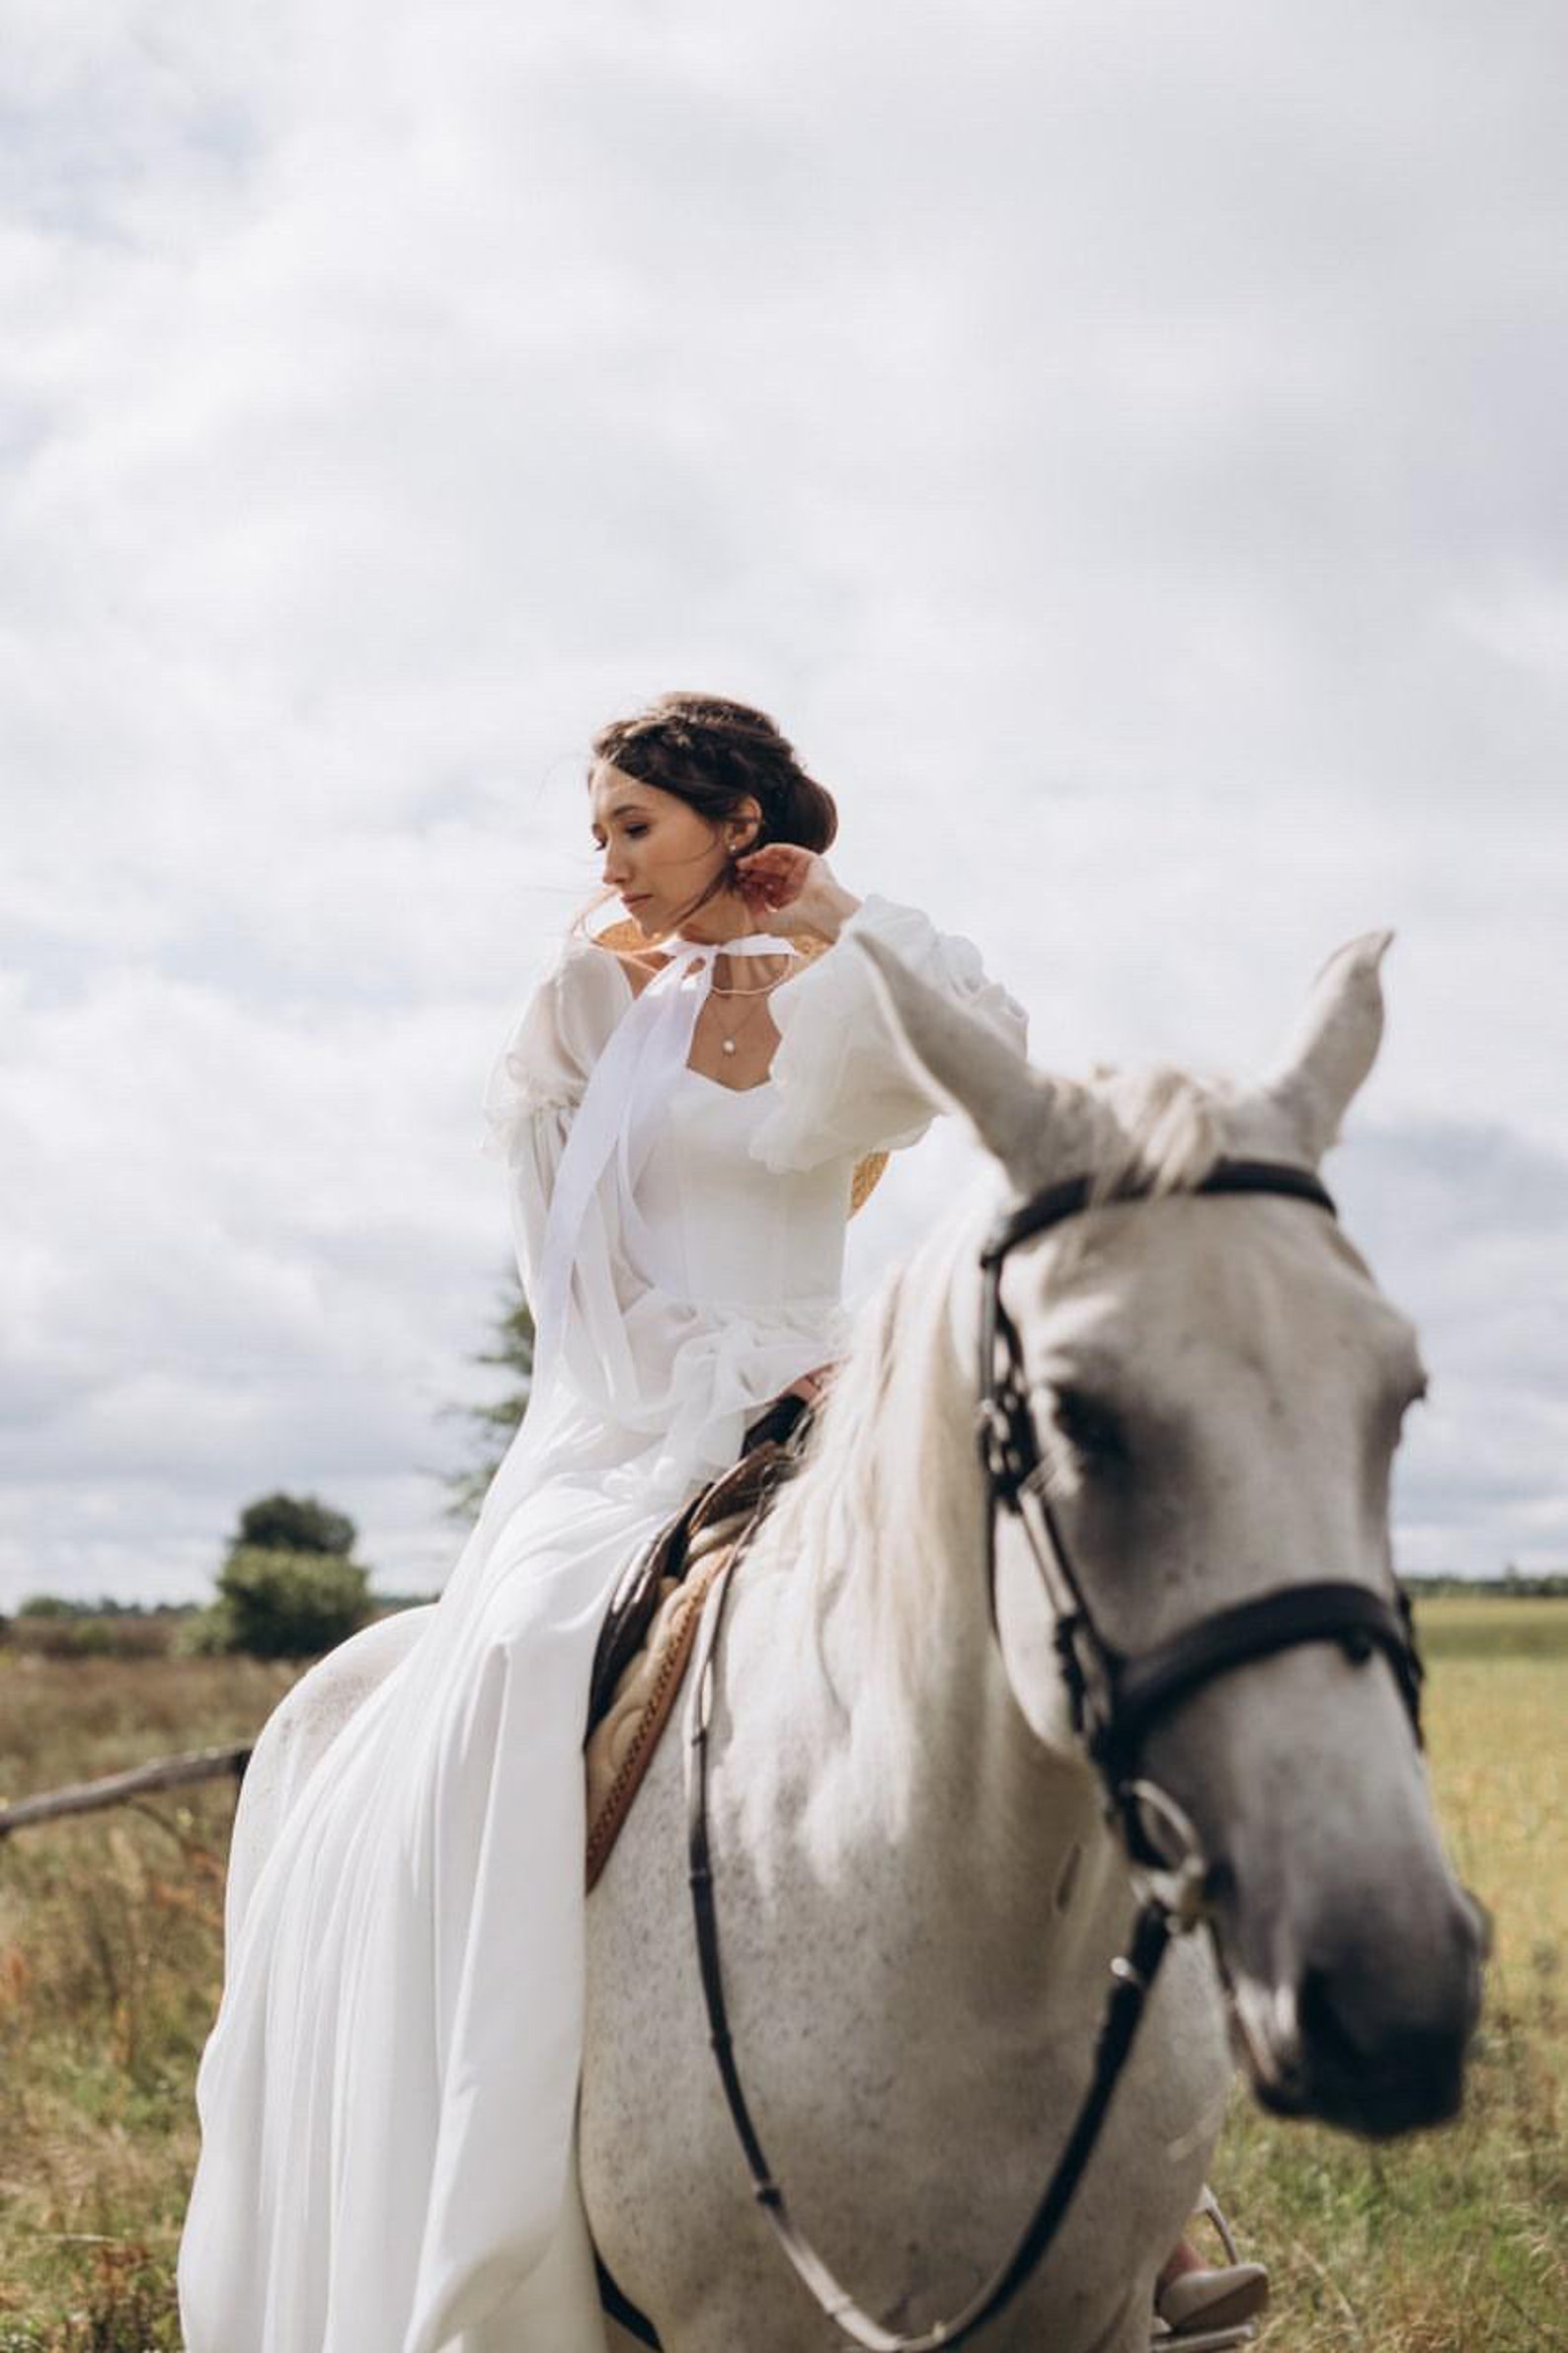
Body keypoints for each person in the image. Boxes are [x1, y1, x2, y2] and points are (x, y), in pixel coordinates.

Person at [177, 691, 1261, 2351]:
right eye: (601, 832)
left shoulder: (849, 987)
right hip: (640, 1413)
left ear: (736, 824)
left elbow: (1000, 1061)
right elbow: (568, 1272)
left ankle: (1155, 2190)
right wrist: (699, 1392)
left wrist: (822, 911)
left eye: (635, 826)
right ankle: (533, 2130)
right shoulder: (588, 993)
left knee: (1048, 1646)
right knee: (533, 1652)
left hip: (839, 1394)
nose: (610, 862)